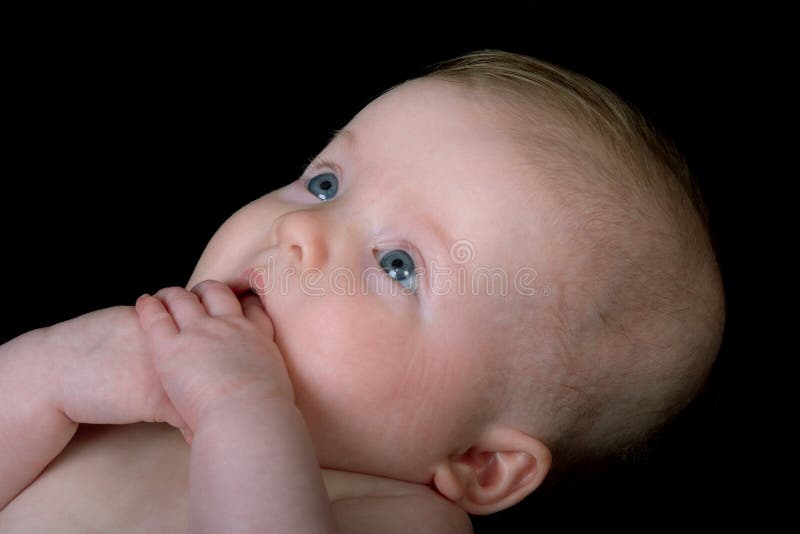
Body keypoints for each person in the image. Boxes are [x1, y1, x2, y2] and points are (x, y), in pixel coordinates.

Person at [0, 49, 725, 532]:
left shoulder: (402, 517)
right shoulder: (125, 392)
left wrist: (238, 409)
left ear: (479, 463)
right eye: (325, 184)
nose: (299, 230)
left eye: (398, 264)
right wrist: (52, 371)